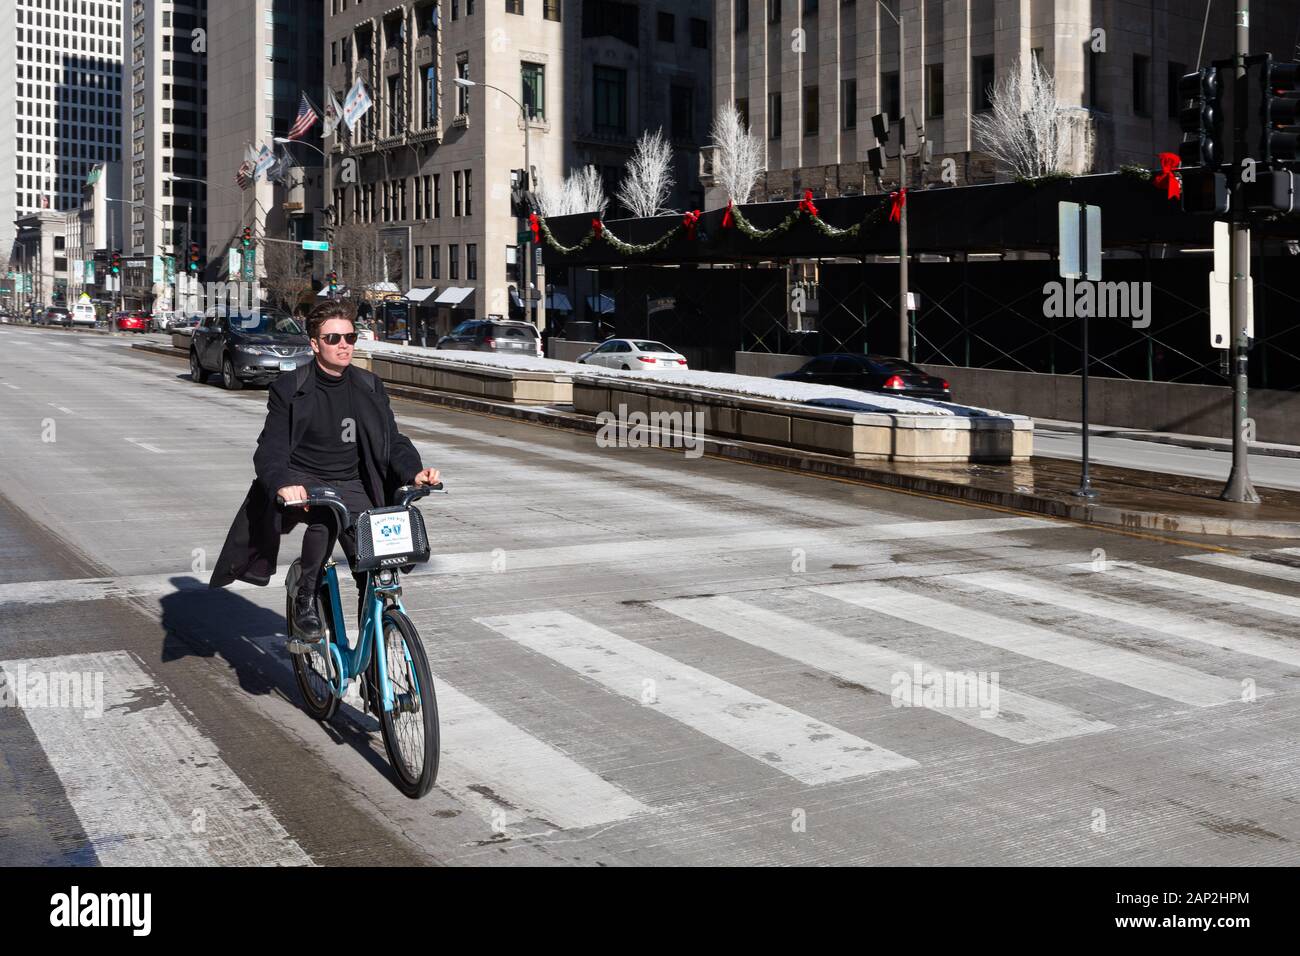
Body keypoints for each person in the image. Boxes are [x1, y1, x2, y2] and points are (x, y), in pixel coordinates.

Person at [209, 300, 440, 640]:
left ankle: (375, 669)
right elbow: (270, 448)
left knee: (374, 568)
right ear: (315, 344)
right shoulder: (290, 388)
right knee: (326, 516)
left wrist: (414, 472)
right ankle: (305, 594)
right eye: (333, 338)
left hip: (352, 482)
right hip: (304, 479)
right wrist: (284, 483)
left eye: (349, 337)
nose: (344, 344)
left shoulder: (369, 385)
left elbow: (391, 440)